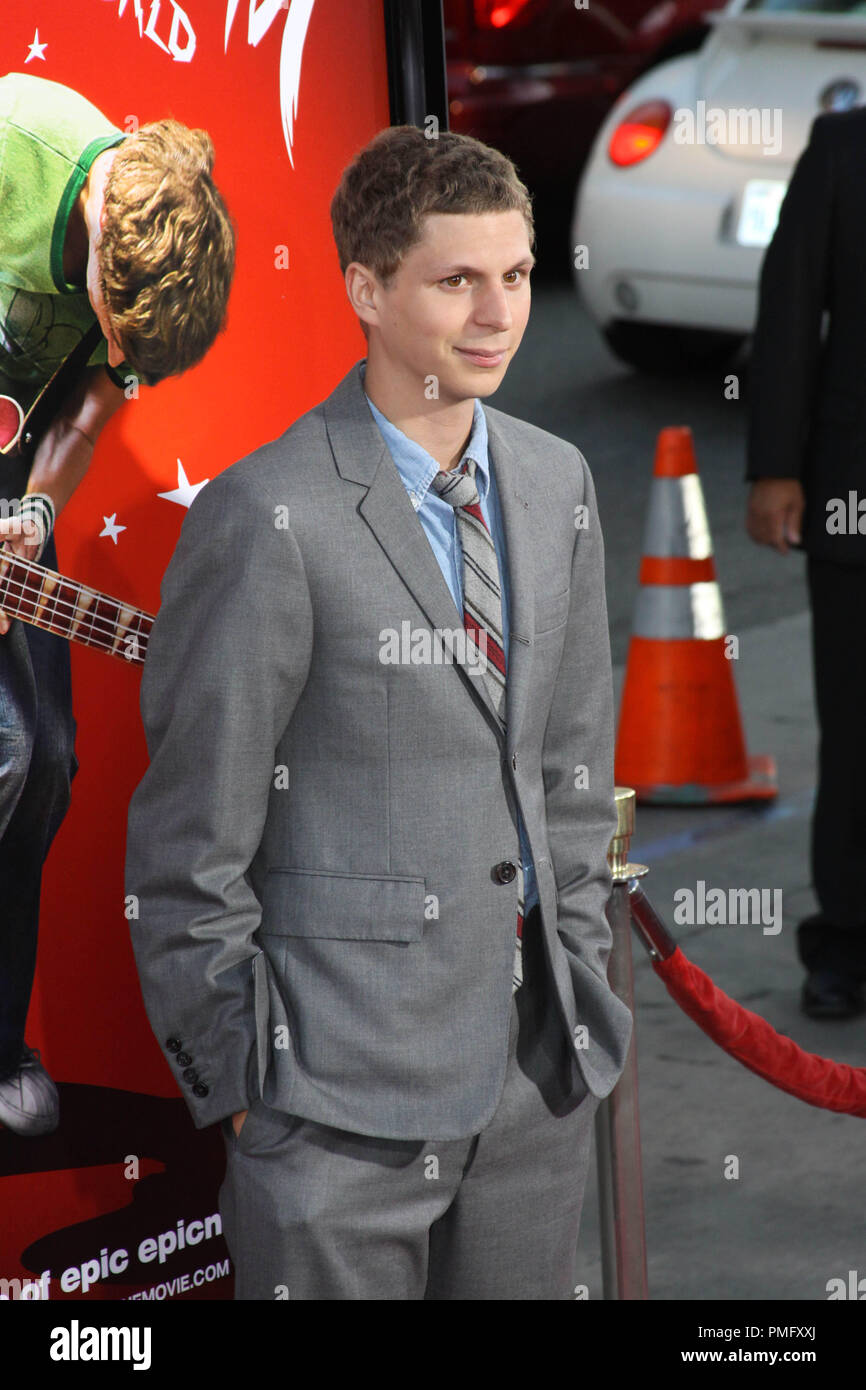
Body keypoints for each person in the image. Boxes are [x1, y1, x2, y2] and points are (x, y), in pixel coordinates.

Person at [126, 124, 632, 1300]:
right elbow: (187, 842)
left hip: (529, 1088)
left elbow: (567, 764)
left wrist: (574, 972)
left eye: (513, 275)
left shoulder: (556, 480)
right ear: (364, 287)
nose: (497, 314)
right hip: (329, 1112)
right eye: (455, 281)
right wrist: (246, 1088)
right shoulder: (267, 517)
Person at [0, 72, 235, 1136]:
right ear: (101, 252)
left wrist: (38, 517)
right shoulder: (13, 145)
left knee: (41, 757)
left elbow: (88, 405)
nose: (121, 358)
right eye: (115, 325)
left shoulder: (158, 237)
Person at [746, 105, 866, 1019]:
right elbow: (790, 310)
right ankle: (848, 947)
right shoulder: (844, 147)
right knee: (856, 731)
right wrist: (778, 470)